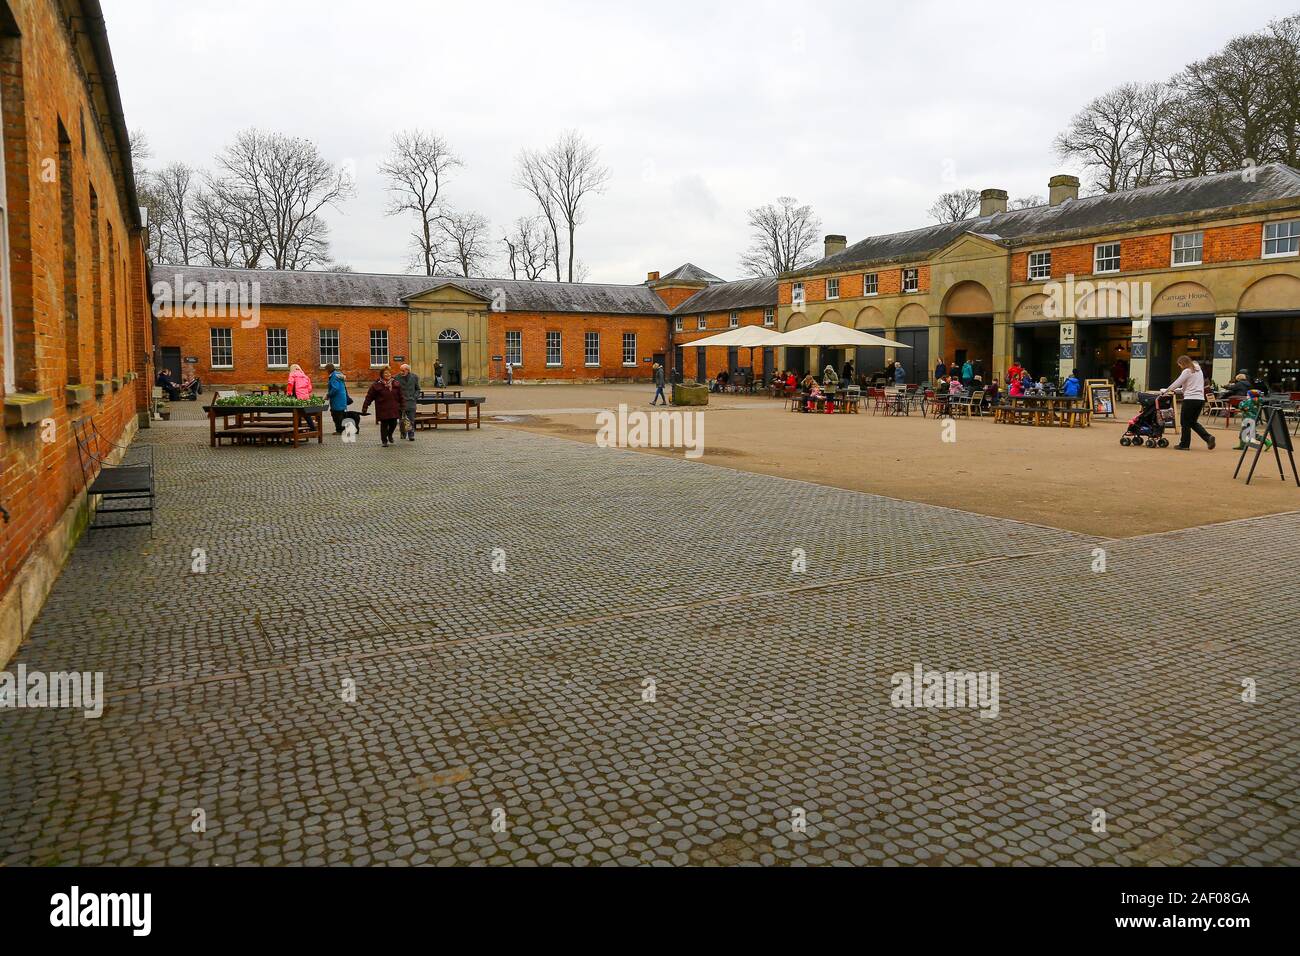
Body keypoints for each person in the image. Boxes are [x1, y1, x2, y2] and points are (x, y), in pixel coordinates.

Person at [1161, 354, 1215, 451]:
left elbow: (1177, 382)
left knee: (1185, 422)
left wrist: (1166, 391)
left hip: (1190, 399)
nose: (1180, 367)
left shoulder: (1187, 371)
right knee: (1192, 422)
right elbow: (1190, 385)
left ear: (1182, 363)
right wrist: (1180, 390)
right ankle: (1208, 437)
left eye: (1179, 365)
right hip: (1200, 399)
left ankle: (1184, 444)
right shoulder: (1198, 370)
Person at [362, 367, 405, 447]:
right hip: (382, 408)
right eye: (385, 373)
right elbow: (369, 397)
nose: (388, 374)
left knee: (394, 423)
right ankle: (384, 440)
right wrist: (365, 407)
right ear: (382, 375)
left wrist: (403, 405)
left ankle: (389, 434)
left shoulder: (396, 383)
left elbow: (401, 396)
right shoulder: (376, 385)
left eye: (389, 373)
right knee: (384, 424)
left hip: (393, 407)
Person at [325, 364, 361, 435]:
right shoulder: (339, 374)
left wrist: (328, 395)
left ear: (328, 370)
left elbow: (335, 388)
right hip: (342, 398)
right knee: (342, 414)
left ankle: (340, 430)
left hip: (337, 399)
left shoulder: (333, 377)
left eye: (326, 370)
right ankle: (343, 429)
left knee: (336, 415)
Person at [286, 363, 317, 432]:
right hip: (305, 396)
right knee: (304, 412)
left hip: (296, 396)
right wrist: (305, 393)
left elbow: (290, 384)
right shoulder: (305, 376)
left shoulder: (292, 374)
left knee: (298, 413)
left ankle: (303, 428)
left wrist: (289, 392)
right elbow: (309, 388)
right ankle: (303, 428)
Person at [395, 363, 420, 441]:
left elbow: (418, 389)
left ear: (407, 370)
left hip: (411, 402)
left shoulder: (414, 377)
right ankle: (403, 433)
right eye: (400, 370)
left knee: (411, 419)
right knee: (402, 420)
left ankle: (411, 435)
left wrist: (414, 397)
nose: (401, 372)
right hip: (400, 402)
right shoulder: (396, 377)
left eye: (403, 370)